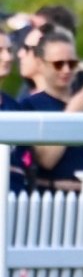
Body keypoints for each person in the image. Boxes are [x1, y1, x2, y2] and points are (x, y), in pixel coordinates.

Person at [18, 29, 83, 191]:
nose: (66, 70)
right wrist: (71, 114)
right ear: (40, 64)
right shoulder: (30, 106)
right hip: (54, 199)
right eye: (58, 64)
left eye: (72, 63)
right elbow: (46, 160)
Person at [1, 32, 30, 193]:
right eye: (0, 50)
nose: (8, 57)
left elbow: (25, 157)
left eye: (9, 50)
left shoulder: (13, 106)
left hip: (16, 203)